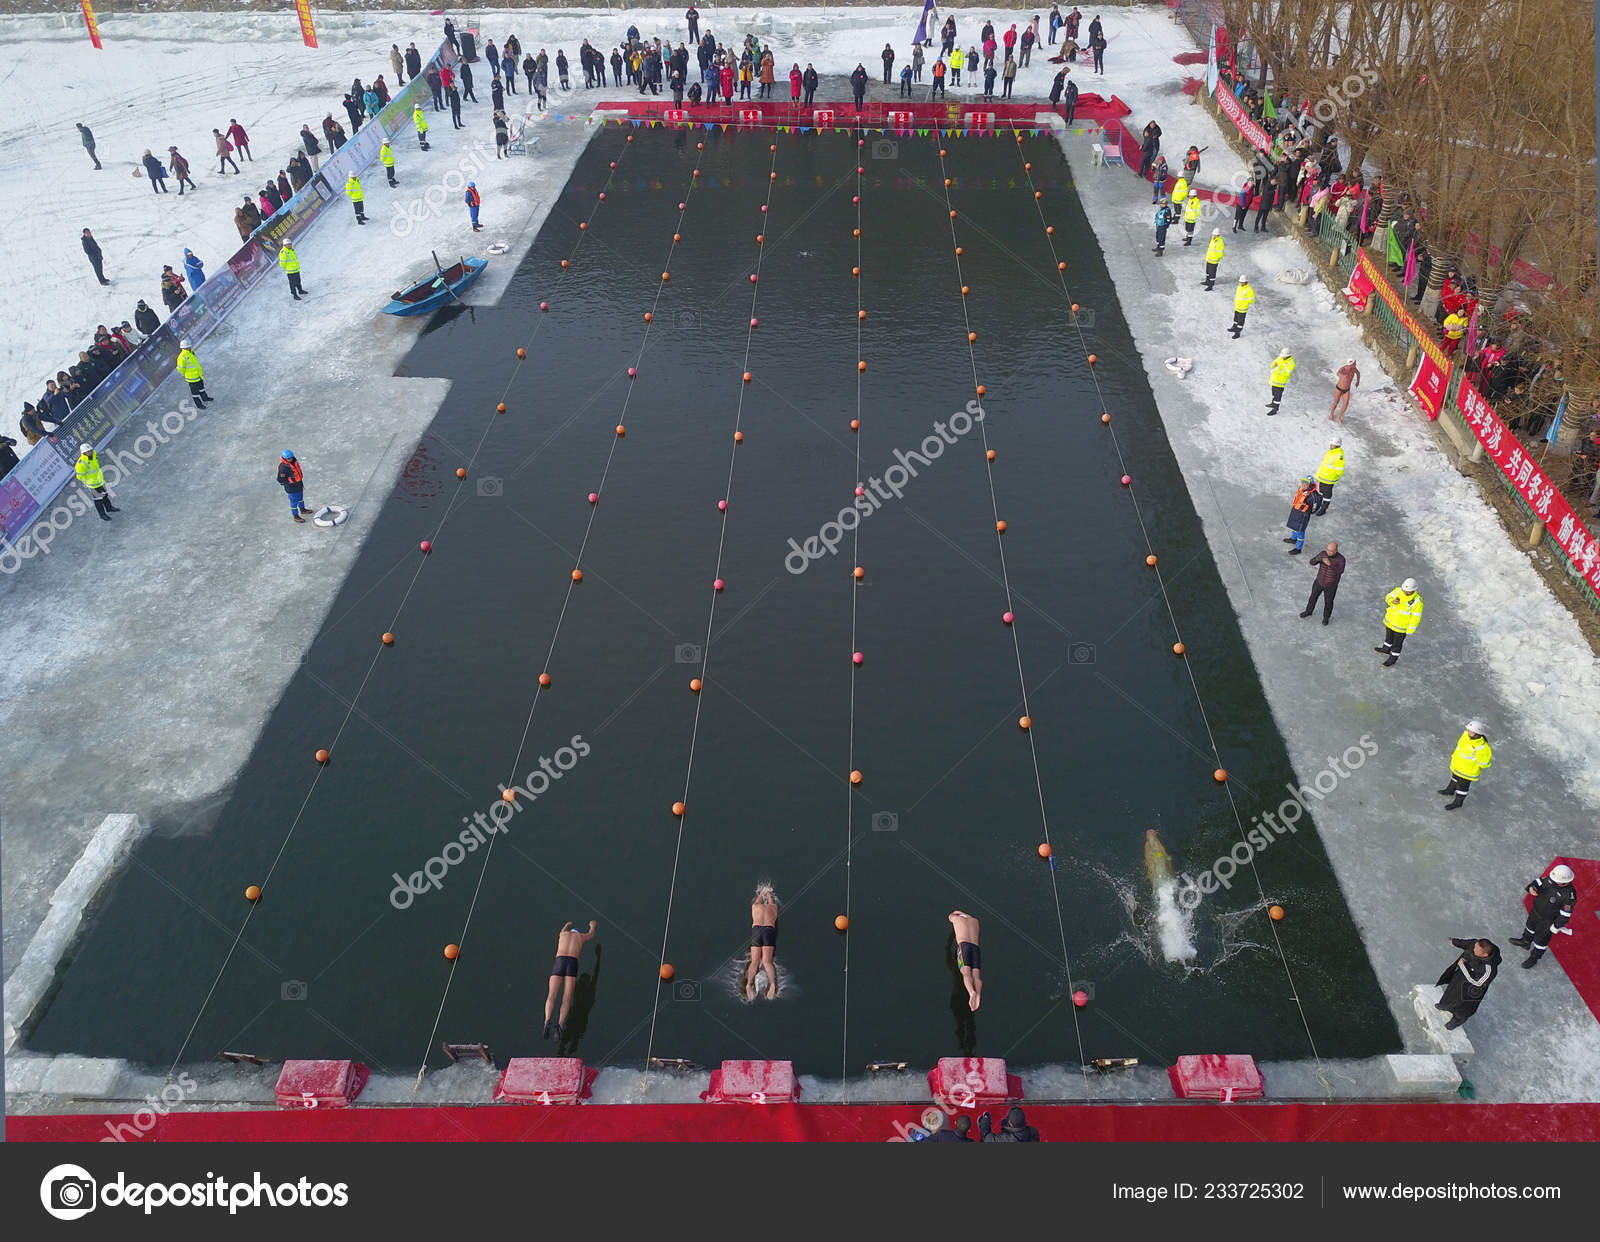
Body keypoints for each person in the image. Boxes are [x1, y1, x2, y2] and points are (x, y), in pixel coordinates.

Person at [1511, 865, 1577, 969]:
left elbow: (1565, 915)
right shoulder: (1550, 879)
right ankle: (1525, 941)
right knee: (1529, 927)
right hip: (1535, 912)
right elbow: (1536, 882)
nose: (1553, 880)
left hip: (1548, 921)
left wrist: (1555, 926)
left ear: (1565, 882)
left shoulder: (1569, 895)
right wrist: (1531, 888)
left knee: (1540, 941)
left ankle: (1534, 957)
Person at [544, 920, 597, 1040]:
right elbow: (591, 934)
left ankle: (547, 1020)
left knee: (551, 995)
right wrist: (592, 926)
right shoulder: (580, 936)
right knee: (566, 998)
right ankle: (559, 1025)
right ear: (577, 933)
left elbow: (563, 929)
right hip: (572, 963)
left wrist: (567, 925)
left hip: (560, 961)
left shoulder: (563, 934)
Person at [1434, 938, 1499, 1029]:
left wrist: (1463, 966)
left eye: (1476, 949)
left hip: (1472, 991)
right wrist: (1454, 941)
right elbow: (1466, 943)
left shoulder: (1489, 970)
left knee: (1463, 1009)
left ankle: (1455, 1022)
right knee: (1450, 994)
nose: (1473, 949)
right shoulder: (1475, 945)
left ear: (1485, 955)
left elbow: (1478, 983)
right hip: (1459, 979)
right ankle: (1445, 1006)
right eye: (1475, 946)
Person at [1439, 721, 1492, 811]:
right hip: (1458, 766)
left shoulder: (1482, 748)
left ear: (1477, 734)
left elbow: (1484, 763)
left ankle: (1458, 803)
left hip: (1467, 772)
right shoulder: (1466, 736)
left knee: (1462, 788)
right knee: (1454, 779)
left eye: (1471, 731)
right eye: (1468, 730)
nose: (1468, 731)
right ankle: (1450, 790)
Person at [1374, 578, 1421, 667]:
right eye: (1405, 590)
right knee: (1388, 639)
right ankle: (1386, 649)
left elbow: (1416, 617)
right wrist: (1392, 601)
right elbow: (1388, 597)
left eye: (1409, 591)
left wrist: (1410, 629)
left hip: (1401, 628)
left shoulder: (1417, 602)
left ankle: (1392, 659)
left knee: (1397, 645)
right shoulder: (1398, 591)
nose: (1406, 592)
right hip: (1390, 622)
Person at [744, 884, 779, 1000]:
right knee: (767, 961)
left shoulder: (755, 906)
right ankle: (772, 984)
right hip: (769, 930)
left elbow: (758, 900)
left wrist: (761, 893)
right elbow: (771, 900)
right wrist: (768, 893)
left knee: (755, 961)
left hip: (757, 931)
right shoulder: (773, 907)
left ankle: (749, 984)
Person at [1301, 542, 1345, 624]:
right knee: (1312, 598)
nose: (1328, 552)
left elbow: (1340, 571)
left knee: (1328, 602)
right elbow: (1311, 562)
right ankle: (1308, 611)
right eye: (1327, 549)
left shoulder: (1341, 559)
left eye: (1331, 551)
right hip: (1319, 581)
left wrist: (1330, 564)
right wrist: (1317, 559)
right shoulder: (1323, 554)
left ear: (1336, 550)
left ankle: (1326, 617)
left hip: (1331, 585)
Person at [75, 444, 120, 521]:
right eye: (88, 451)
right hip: (93, 485)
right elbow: (79, 476)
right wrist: (89, 482)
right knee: (98, 500)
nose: (90, 452)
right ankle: (102, 515)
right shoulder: (81, 464)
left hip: (100, 481)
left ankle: (109, 508)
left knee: (105, 495)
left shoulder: (94, 454)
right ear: (83, 453)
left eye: (91, 450)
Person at [948, 910, 981, 1011]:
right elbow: (967, 917)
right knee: (976, 974)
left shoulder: (956, 918)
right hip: (975, 948)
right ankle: (978, 994)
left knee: (966, 972)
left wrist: (954, 914)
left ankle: (972, 992)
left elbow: (950, 916)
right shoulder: (975, 921)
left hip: (964, 946)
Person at [276, 450, 313, 523]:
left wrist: (300, 483)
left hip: (298, 485)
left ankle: (302, 510)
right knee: (294, 502)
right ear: (285, 458)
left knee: (300, 498)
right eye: (288, 458)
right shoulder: (283, 468)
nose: (290, 459)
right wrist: (291, 481)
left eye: (291, 458)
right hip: (291, 488)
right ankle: (296, 516)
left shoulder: (294, 462)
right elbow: (280, 479)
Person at [1284, 475, 1316, 554]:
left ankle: (1298, 548)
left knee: (1300, 531)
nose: (1303, 485)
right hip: (1296, 511)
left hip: (1303, 515)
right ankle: (1293, 539)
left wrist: (1307, 511)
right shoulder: (1302, 490)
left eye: (1306, 484)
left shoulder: (1311, 496)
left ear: (1310, 486)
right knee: (1294, 526)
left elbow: (1314, 508)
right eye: (1303, 482)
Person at [174, 339, 211, 406]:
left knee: (202, 389)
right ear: (184, 348)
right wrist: (187, 374)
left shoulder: (191, 352)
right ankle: (199, 405)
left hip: (198, 375)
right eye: (188, 346)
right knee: (195, 393)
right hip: (192, 379)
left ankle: (205, 398)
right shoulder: (181, 358)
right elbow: (180, 369)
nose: (190, 347)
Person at [1312, 437, 1344, 511]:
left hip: (1329, 479)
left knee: (1327, 495)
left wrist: (1334, 476)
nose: (1331, 446)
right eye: (1331, 444)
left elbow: (1340, 470)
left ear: (1337, 445)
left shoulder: (1339, 456)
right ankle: (1319, 505)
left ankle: (1324, 508)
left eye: (1332, 445)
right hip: (1323, 477)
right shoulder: (1331, 452)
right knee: (1321, 492)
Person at [1267, 348, 1294, 414]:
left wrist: (1277, 370)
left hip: (1280, 382)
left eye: (1284, 356)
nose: (1283, 357)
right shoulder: (1280, 358)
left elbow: (1287, 373)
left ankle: (1275, 409)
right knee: (1274, 394)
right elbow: (1272, 365)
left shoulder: (1291, 363)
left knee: (1277, 396)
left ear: (1288, 355)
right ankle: (1273, 403)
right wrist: (1274, 364)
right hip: (1274, 380)